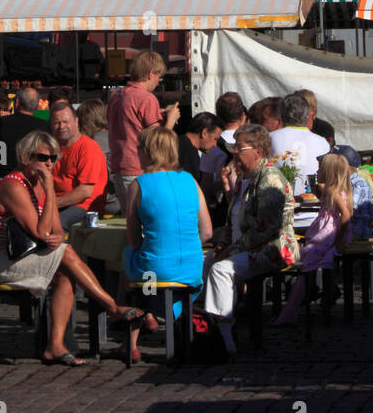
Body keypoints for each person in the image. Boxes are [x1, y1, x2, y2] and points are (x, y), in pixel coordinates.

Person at [0, 130, 146, 366]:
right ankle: (111, 307)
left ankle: (55, 346)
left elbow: (55, 228)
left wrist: (57, 234)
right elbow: (40, 232)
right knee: (65, 252)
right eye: (42, 157)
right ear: (26, 157)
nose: (49, 163)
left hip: (23, 255)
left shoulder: (39, 184)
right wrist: (49, 192)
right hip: (0, 260)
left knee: (65, 274)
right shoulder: (13, 186)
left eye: (53, 158)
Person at [202, 123, 298, 355]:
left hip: (274, 249)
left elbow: (265, 229)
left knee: (221, 270)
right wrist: (222, 245)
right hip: (246, 247)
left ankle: (224, 338)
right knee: (206, 262)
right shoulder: (244, 180)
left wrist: (231, 251)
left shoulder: (270, 179)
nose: (234, 153)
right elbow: (232, 223)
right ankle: (207, 323)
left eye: (239, 148)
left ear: (258, 151)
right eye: (233, 148)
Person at [121, 125, 213, 362]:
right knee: (150, 272)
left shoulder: (138, 185)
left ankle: (135, 329)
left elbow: (134, 239)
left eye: (139, 147)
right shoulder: (191, 181)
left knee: (128, 258)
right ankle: (152, 311)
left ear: (148, 151)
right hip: (192, 269)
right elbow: (207, 232)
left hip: (155, 272)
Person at [274, 152, 353, 326]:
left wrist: (338, 238)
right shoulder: (339, 190)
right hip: (331, 235)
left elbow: (345, 214)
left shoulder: (331, 190)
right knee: (308, 259)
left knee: (305, 259)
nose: (317, 172)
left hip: (329, 235)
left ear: (328, 172)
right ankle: (320, 289)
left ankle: (299, 299)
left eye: (320, 169)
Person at [107, 51, 179, 212]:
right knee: (146, 219)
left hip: (118, 165)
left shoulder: (116, 96)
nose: (158, 82)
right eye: (159, 77)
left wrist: (157, 114)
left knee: (130, 219)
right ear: (151, 74)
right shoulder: (147, 98)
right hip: (138, 167)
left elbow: (130, 122)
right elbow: (158, 143)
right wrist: (171, 120)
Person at [49, 99, 108, 228]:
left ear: (76, 122)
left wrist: (50, 204)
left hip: (84, 205)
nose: (61, 127)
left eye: (66, 122)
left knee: (54, 223)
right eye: (57, 123)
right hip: (58, 202)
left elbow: (85, 191)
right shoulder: (50, 146)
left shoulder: (88, 147)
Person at [270, 92, 330, 192]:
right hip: (312, 198)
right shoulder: (322, 142)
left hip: (278, 197)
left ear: (281, 115)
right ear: (308, 115)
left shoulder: (269, 138)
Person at [0, 86, 42, 178]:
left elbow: (0, 150)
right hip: (34, 176)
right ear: (36, 106)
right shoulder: (44, 126)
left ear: (17, 103)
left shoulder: (4, 122)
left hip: (8, 175)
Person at [334, 144, 373, 239]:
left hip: (356, 230)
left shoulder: (358, 184)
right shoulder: (342, 182)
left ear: (344, 166)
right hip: (346, 228)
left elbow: (348, 212)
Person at [177, 112, 222, 186]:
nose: (215, 145)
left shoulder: (177, 142)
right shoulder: (189, 153)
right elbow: (189, 187)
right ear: (204, 133)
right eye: (215, 139)